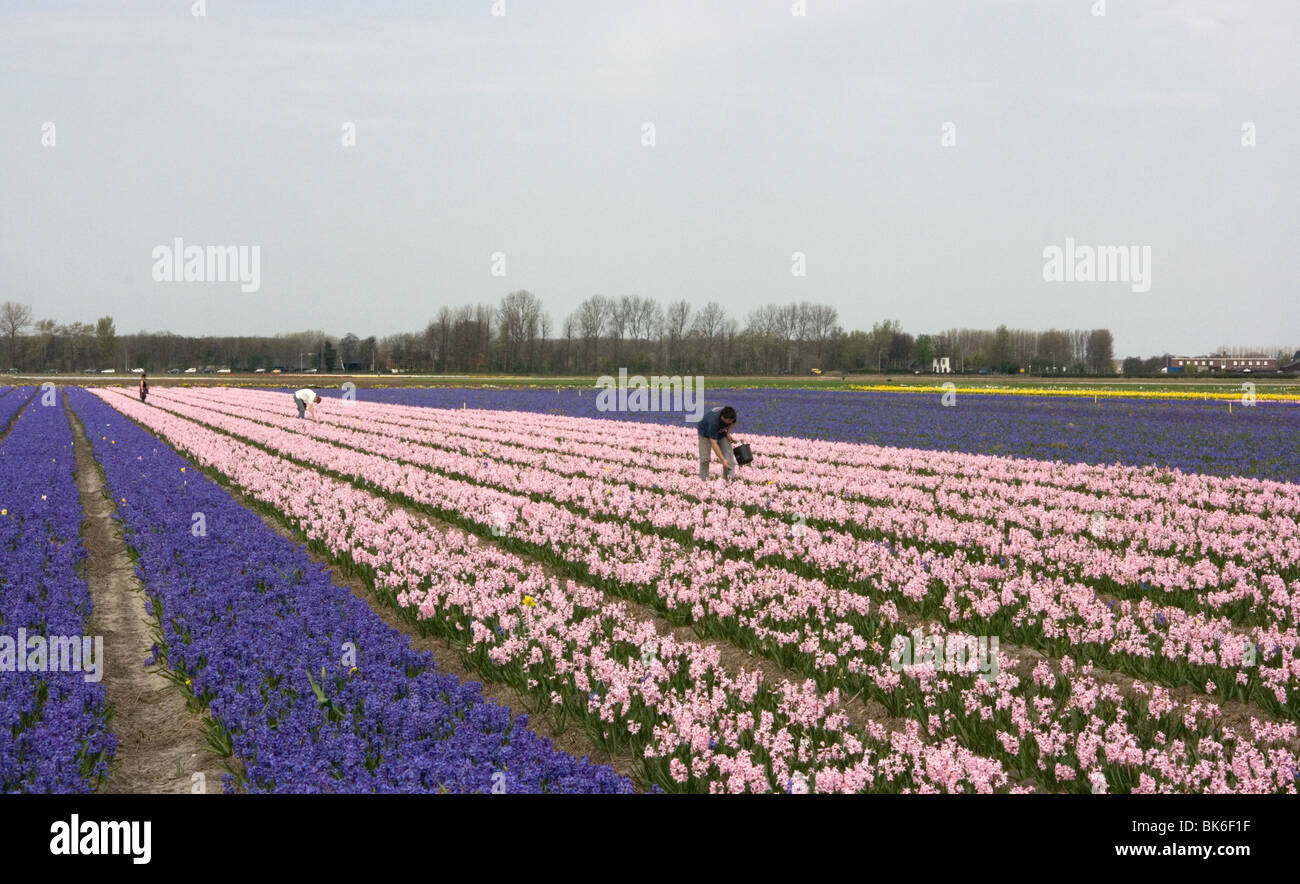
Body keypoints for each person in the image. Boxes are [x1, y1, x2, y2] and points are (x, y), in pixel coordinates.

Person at [698, 405, 737, 480]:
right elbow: (714, 443)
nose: (730, 423)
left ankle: (729, 479)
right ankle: (703, 481)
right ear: (723, 418)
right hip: (705, 433)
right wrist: (722, 460)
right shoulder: (713, 422)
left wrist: (728, 433)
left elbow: (733, 422)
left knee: (728, 454)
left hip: (721, 432)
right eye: (728, 421)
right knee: (705, 459)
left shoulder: (731, 415)